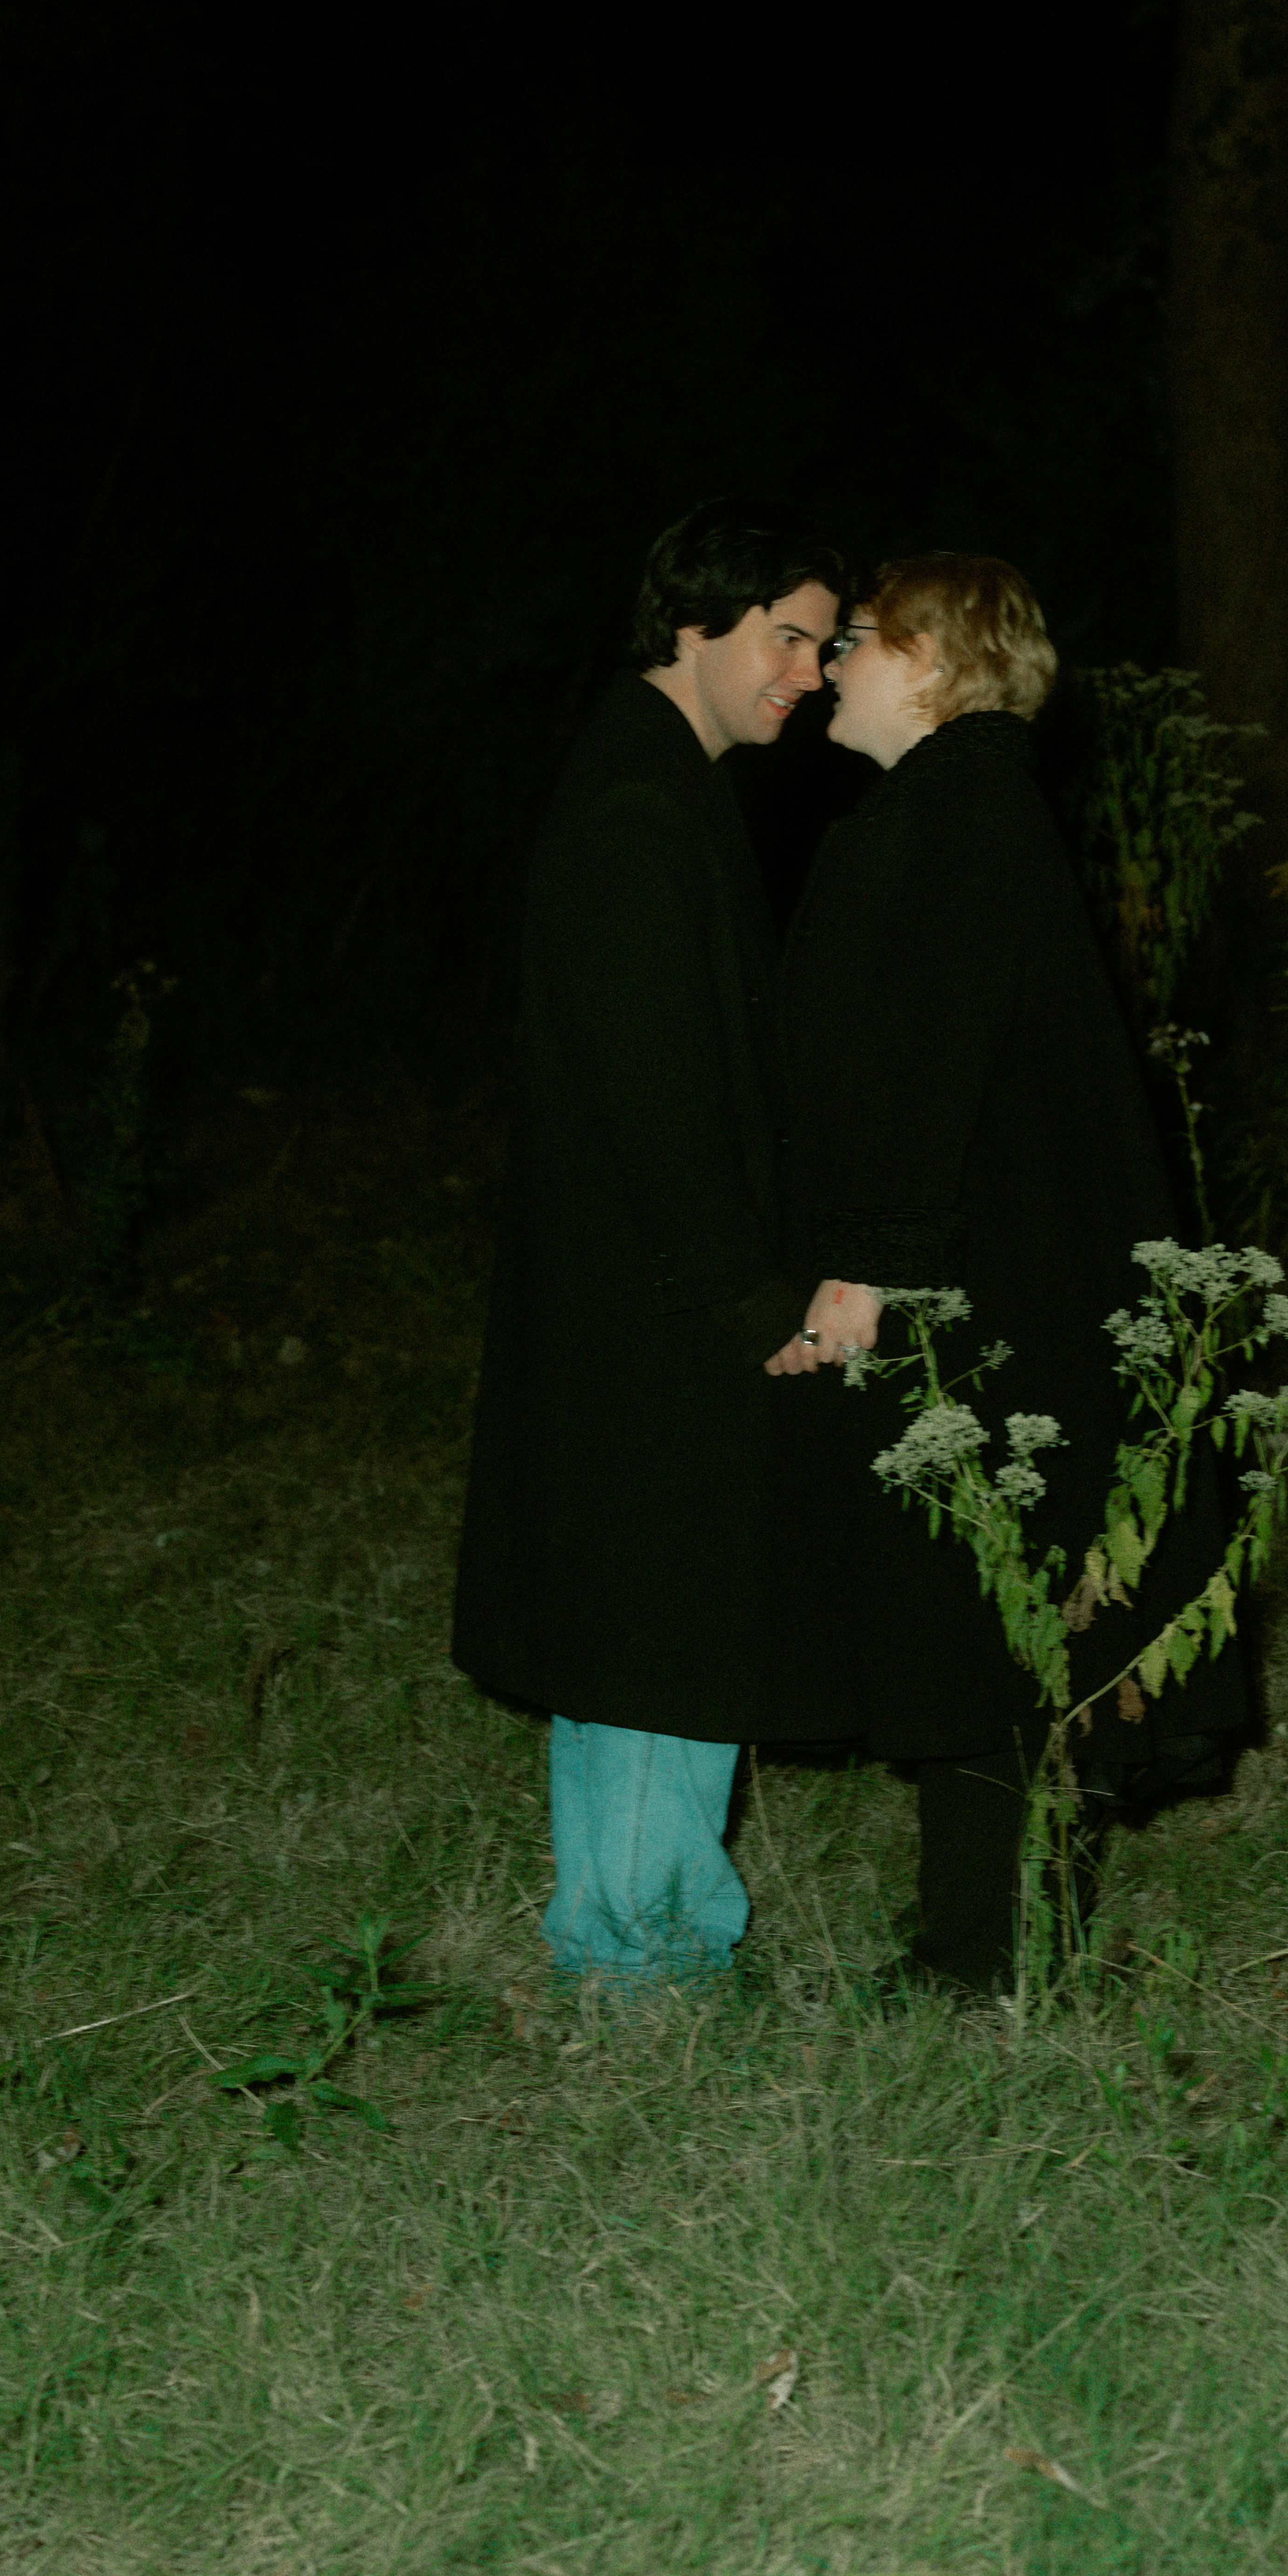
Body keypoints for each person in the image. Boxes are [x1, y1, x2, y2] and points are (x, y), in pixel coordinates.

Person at [776, 553, 1260, 1995]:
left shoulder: (965, 813)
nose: (832, 666)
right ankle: (985, 1946)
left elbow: (937, 1063)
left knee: (997, 1610)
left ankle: (981, 1960)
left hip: (994, 1289)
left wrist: (875, 1267)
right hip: (994, 1279)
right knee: (990, 1609)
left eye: (856, 638)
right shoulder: (954, 806)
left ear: (934, 659)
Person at [452, 501, 845, 1984]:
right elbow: (652, 1090)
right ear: (698, 621)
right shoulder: (635, 804)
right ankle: (629, 1954)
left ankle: (663, 1931)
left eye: (822, 644)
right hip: (647, 1301)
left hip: (659, 1292)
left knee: (672, 1608)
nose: (807, 671)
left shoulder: (667, 783)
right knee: (641, 1620)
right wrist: (749, 1295)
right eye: (788, 636)